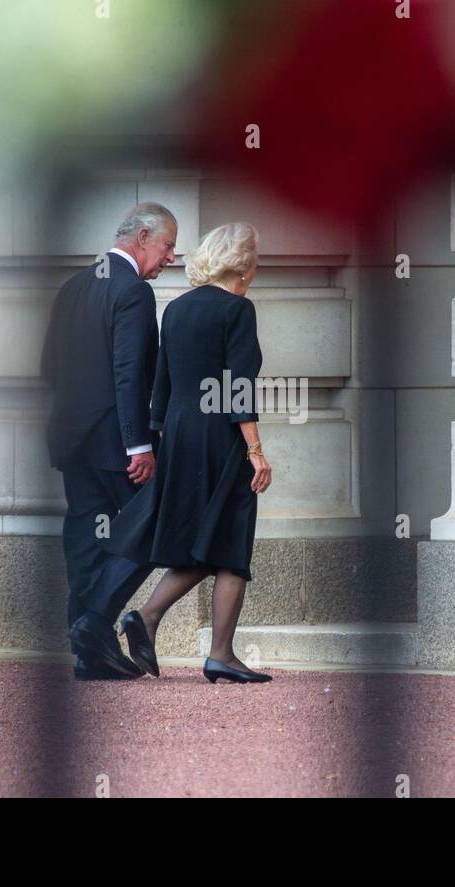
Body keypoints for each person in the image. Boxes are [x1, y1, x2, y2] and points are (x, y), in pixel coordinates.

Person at [104, 222, 274, 684]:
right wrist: (255, 449)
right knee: (232, 538)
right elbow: (238, 386)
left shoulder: (176, 309)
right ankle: (220, 653)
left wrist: (159, 438)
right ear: (242, 265)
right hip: (220, 434)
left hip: (180, 432)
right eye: (255, 258)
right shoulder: (238, 310)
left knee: (208, 535)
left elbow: (162, 382)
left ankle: (149, 617)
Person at [40, 202, 176, 680]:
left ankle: (85, 650)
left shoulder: (74, 286)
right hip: (117, 442)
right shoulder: (133, 290)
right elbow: (128, 373)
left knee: (85, 536)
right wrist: (138, 445)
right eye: (167, 245)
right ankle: (96, 623)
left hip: (72, 436)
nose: (171, 257)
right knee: (152, 523)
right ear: (142, 238)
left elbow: (48, 369)